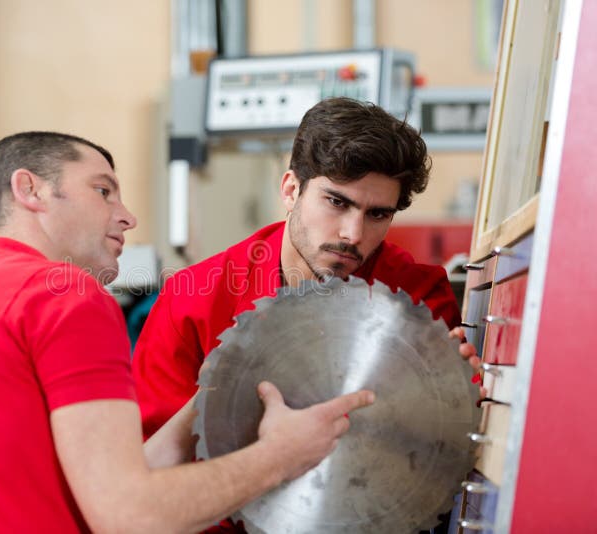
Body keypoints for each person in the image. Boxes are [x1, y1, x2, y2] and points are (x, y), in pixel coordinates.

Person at [0, 131, 375, 532]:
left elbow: (105, 476)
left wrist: (220, 394)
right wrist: (281, 456)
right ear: (30, 190)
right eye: (103, 190)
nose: (127, 217)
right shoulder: (62, 294)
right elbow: (130, 516)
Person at [133, 96, 480, 439]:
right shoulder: (192, 302)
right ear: (290, 190)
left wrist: (457, 403)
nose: (353, 234)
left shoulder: (417, 299)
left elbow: (440, 443)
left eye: (377, 214)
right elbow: (153, 461)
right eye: (336, 202)